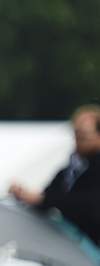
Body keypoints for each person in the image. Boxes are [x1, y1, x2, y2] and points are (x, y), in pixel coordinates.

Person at [9, 105, 100, 246]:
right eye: (75, 135)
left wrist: (44, 199)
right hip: (76, 244)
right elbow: (50, 196)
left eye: (83, 136)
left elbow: (88, 204)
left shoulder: (93, 166)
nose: (77, 141)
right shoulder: (72, 168)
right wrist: (25, 195)